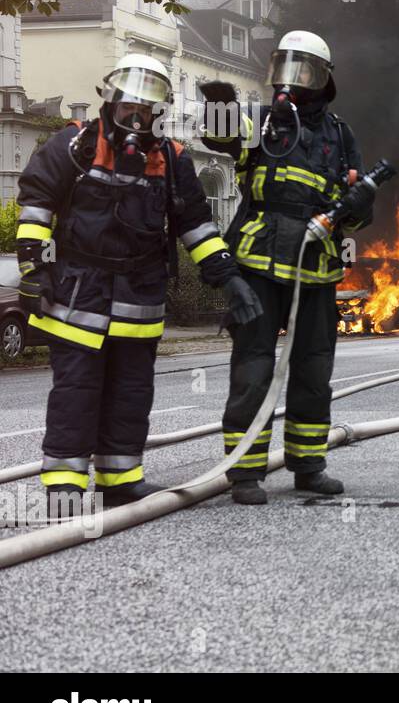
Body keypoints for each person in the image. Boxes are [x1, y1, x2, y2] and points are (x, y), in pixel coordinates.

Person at [16, 54, 259, 516]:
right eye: (129, 104)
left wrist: (228, 277)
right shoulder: (74, 145)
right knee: (76, 391)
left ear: (159, 113)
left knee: (131, 392)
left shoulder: (171, 159)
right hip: (77, 294)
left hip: (139, 299)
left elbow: (196, 227)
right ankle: (64, 486)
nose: (135, 115)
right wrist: (34, 267)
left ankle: (121, 479)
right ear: (112, 99)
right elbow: (37, 204)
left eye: (145, 109)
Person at [201, 30, 374, 505]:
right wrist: (218, 106)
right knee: (254, 370)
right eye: (286, 69)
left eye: (304, 71)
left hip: (317, 273)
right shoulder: (260, 121)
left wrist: (362, 203)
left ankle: (308, 465)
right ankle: (245, 475)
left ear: (323, 80)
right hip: (258, 266)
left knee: (314, 372)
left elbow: (356, 216)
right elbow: (220, 139)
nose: (292, 82)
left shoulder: (341, 135)